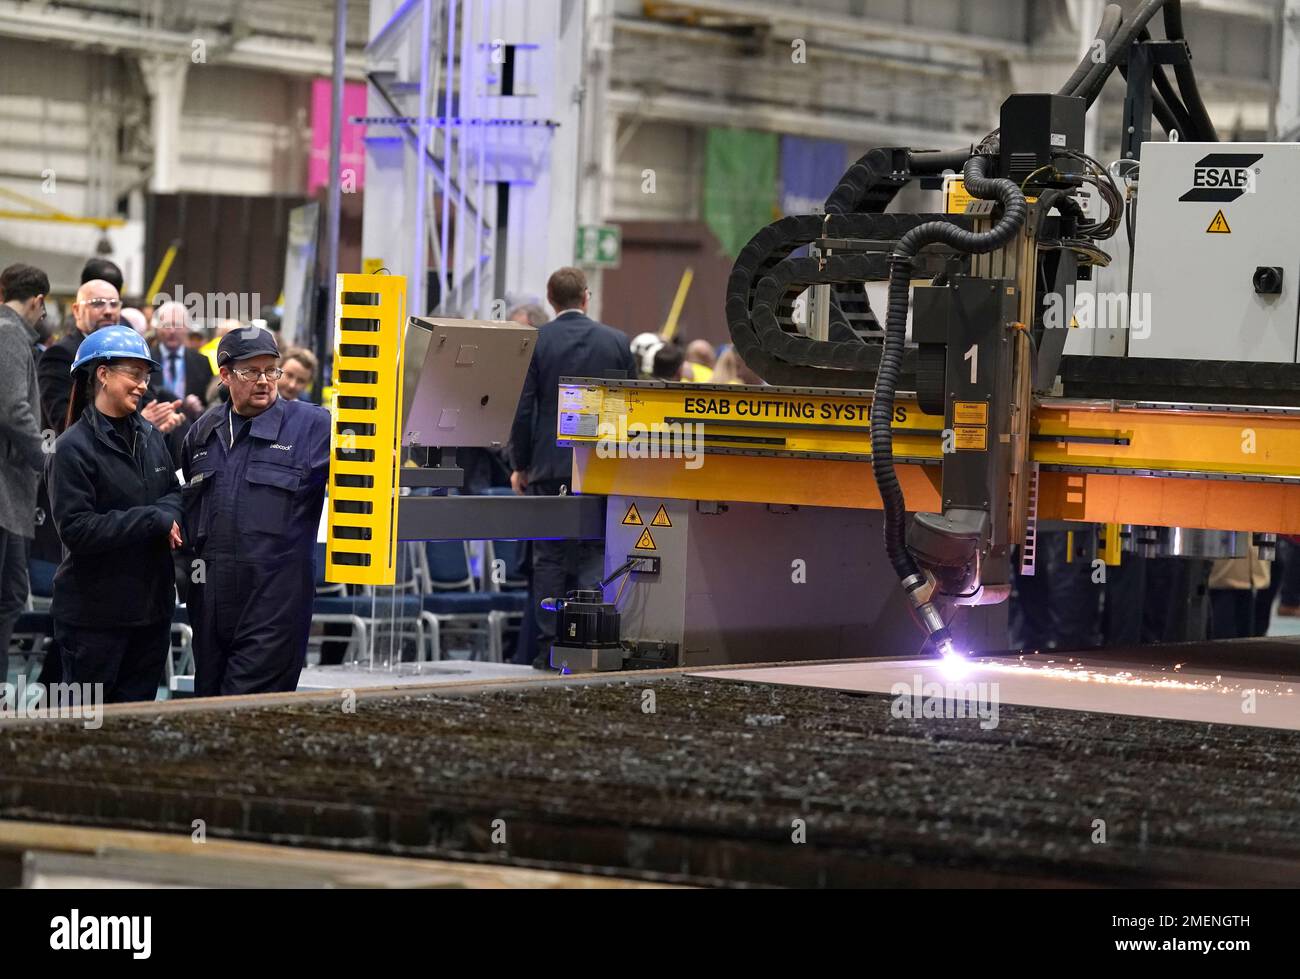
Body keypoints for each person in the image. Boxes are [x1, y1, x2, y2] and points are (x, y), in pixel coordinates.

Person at [180, 327, 331, 696]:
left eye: (271, 370)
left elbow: (370, 467)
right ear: (225, 375)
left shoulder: (312, 426)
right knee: (208, 707)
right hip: (211, 603)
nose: (264, 381)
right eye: (251, 372)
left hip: (274, 604)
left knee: (248, 712)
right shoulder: (202, 432)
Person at [45, 326, 183, 703]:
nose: (143, 385)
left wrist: (167, 513)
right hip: (94, 620)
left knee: (134, 731)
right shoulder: (71, 449)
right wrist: (153, 519)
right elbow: (77, 529)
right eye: (134, 375)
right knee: (86, 732)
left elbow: (173, 491)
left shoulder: (150, 436)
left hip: (151, 614)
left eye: (146, 376)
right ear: (102, 375)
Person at [509, 266, 636, 670]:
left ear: (550, 300)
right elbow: (628, 408)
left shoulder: (537, 342)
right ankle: (587, 645)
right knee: (594, 552)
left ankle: (548, 649)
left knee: (548, 557)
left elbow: (524, 408)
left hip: (548, 467)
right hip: (600, 468)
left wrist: (521, 464)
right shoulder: (616, 341)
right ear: (586, 297)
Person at [39, 279, 183, 437]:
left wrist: (162, 416)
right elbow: (64, 422)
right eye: (98, 303)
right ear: (76, 310)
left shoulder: (126, 353)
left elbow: (144, 400)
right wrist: (139, 423)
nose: (108, 311)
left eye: (114, 304)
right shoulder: (59, 355)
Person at [0, 264, 50, 685]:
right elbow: (13, 409)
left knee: (12, 595)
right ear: (37, 301)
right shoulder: (9, 333)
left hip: (10, 496)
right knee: (5, 597)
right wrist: (46, 458)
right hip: (3, 494)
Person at [151, 300, 213, 417]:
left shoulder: (201, 362)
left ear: (187, 328)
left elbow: (208, 402)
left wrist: (199, 408)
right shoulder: (147, 359)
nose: (172, 331)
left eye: (178, 325)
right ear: (157, 328)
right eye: (167, 325)